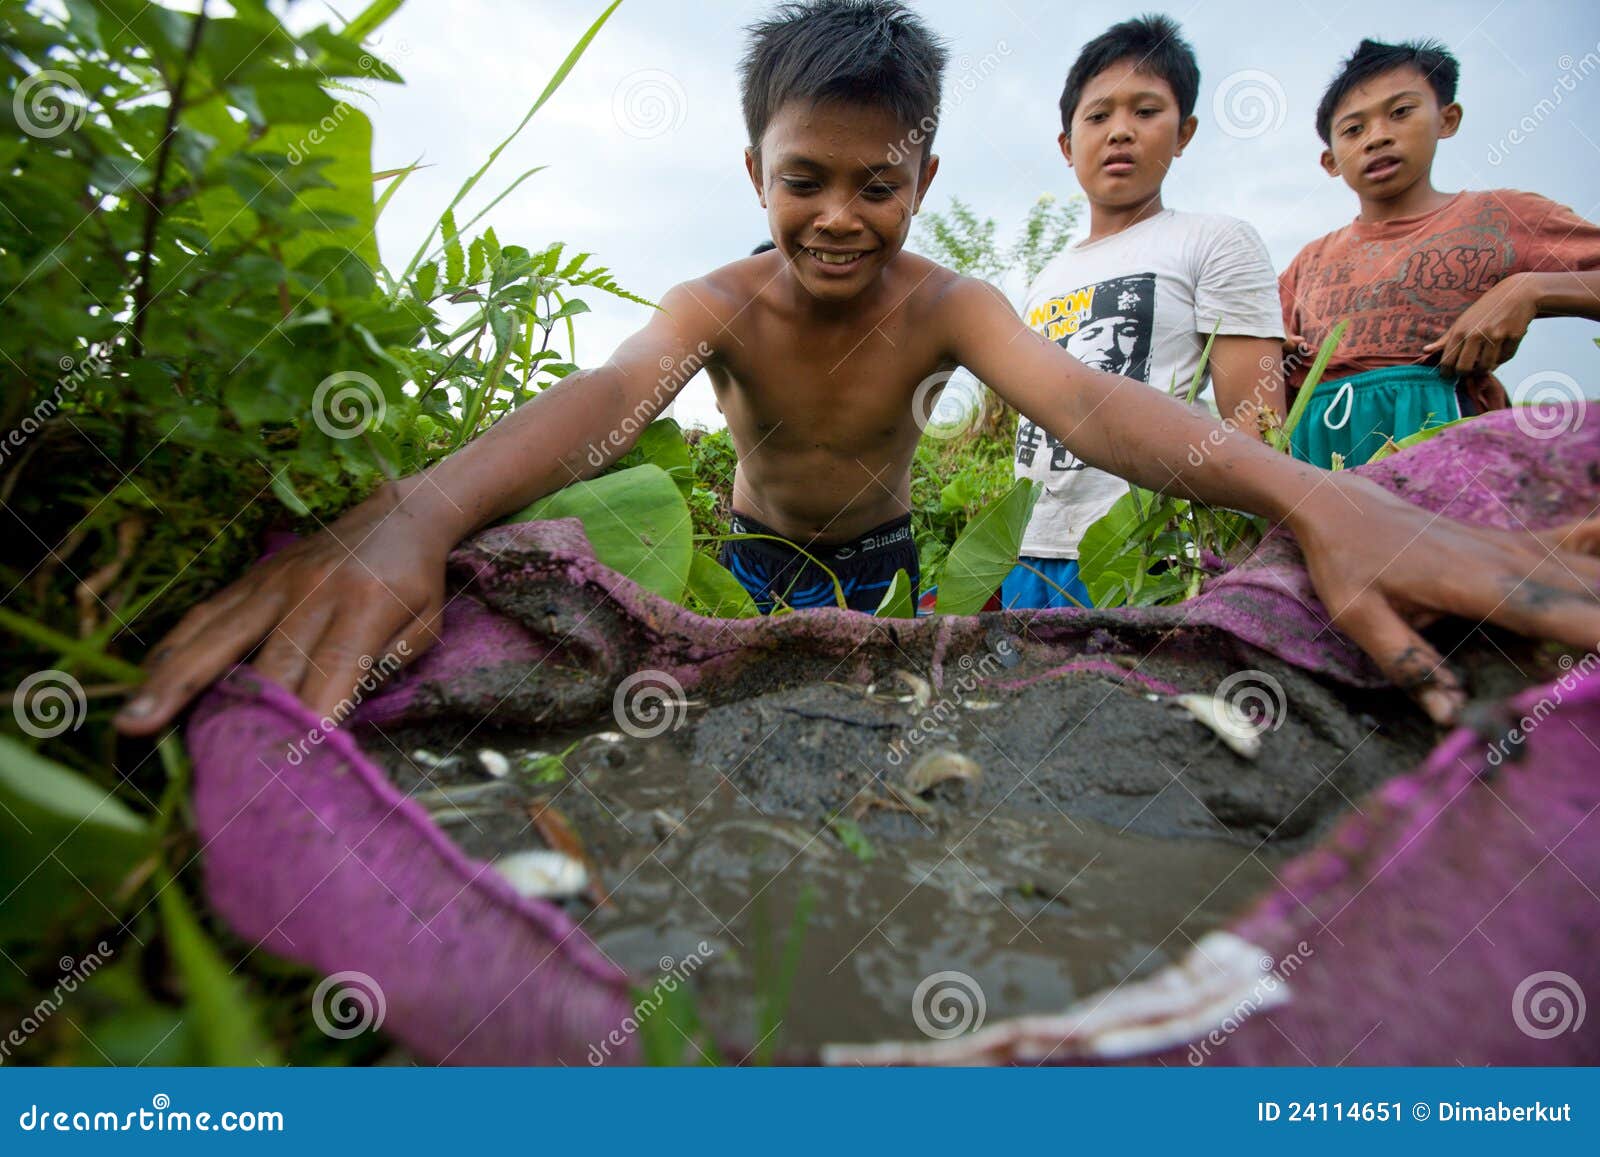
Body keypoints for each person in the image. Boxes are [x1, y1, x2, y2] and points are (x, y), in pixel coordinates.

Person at [115, 0, 1600, 740]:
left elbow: (1089, 402)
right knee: (741, 727)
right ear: (753, 172)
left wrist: (1313, 495)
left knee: (884, 737)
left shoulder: (953, 303)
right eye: (803, 180)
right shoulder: (716, 301)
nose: (839, 217)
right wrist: (419, 507)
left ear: (923, 178)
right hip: (751, 554)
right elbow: (610, 397)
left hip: (887, 559)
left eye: (875, 186)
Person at [1002, 16, 1285, 611]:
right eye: (1098, 116)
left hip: (1149, 549)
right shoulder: (1046, 279)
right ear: (1067, 145)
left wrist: (1236, 564)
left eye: (1146, 111)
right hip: (1029, 549)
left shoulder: (1216, 241)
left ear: (1184, 133)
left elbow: (1258, 425)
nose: (1120, 131)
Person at [1280, 37, 1600, 467]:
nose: (1377, 137)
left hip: (1451, 448)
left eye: (1400, 112)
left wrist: (1530, 290)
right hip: (1321, 460)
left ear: (1447, 119)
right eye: (1353, 130)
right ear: (1331, 161)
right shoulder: (1307, 263)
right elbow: (1261, 367)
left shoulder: (1502, 217)